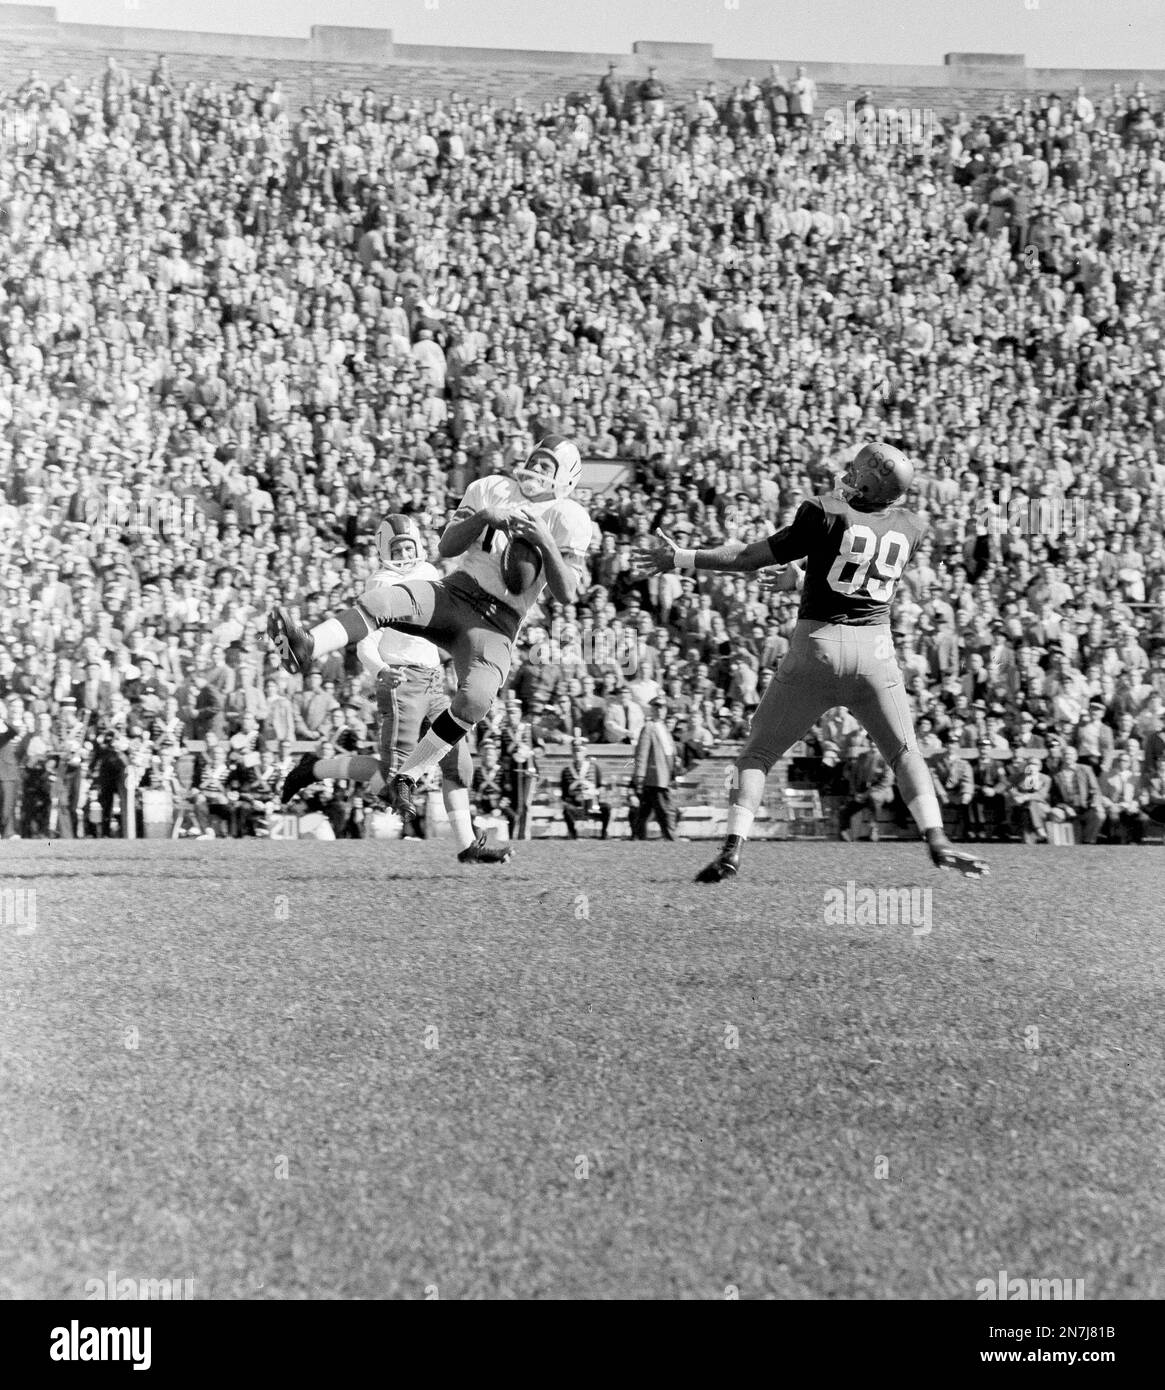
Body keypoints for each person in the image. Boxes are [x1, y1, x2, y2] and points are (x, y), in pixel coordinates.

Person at [635, 442, 988, 881]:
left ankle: (732, 850)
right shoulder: (912, 525)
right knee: (903, 752)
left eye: (856, 470)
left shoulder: (825, 512)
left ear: (867, 480)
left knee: (758, 754)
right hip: (875, 655)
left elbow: (748, 558)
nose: (847, 474)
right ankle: (936, 840)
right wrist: (803, 578)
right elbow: (857, 575)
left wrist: (681, 557)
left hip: (817, 647)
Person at [268, 435, 591, 818]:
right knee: (384, 600)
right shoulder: (490, 488)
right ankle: (308, 645)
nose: (535, 469)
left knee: (476, 700)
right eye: (534, 460)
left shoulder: (570, 517)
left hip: (498, 623)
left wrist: (543, 542)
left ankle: (414, 774)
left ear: (565, 478)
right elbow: (447, 547)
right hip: (457, 592)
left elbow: (568, 593)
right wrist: (485, 517)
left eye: (546, 466)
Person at [278, 517, 512, 865]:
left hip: (433, 679)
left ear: (419, 546)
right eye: (397, 548)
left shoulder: (432, 573)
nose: (404, 553)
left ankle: (468, 847)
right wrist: (381, 670)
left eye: (408, 547)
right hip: (401, 681)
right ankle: (314, 769)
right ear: (384, 552)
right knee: (392, 782)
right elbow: (364, 640)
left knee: (457, 762)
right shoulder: (383, 581)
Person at [629, 695, 679, 840]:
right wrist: (639, 774)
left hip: (663, 774)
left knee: (645, 810)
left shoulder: (663, 728)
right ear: (652, 709)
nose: (659, 710)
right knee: (666, 809)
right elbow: (642, 753)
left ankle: (637, 836)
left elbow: (669, 751)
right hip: (655, 775)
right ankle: (671, 837)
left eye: (662, 707)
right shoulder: (649, 728)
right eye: (656, 707)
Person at [560, 736, 612, 839]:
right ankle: (572, 834)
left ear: (585, 752)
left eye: (579, 751)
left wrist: (594, 792)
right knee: (567, 810)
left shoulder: (594, 767)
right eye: (574, 751)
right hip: (576, 804)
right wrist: (574, 794)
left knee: (606, 808)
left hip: (592, 803)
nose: (577, 754)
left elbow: (601, 787)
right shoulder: (566, 770)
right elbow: (564, 793)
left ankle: (603, 834)